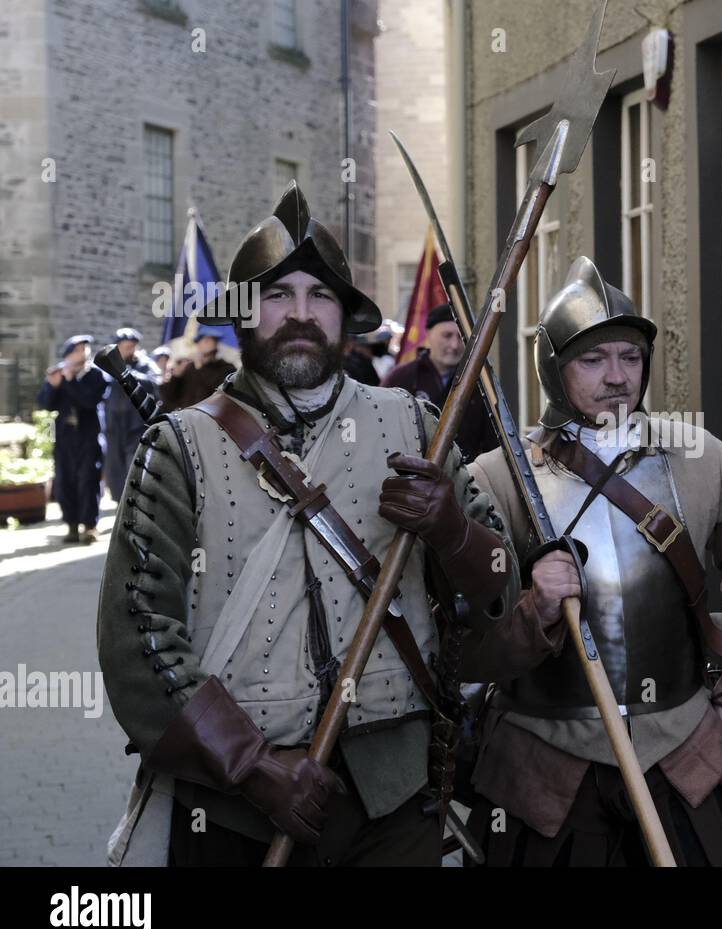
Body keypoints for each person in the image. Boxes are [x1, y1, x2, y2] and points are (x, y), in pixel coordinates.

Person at [97, 182, 520, 867]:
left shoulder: (415, 424)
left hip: (396, 801)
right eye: (277, 296)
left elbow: (502, 588)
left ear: (345, 317)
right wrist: (252, 765)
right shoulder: (177, 447)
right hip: (232, 809)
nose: (300, 314)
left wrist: (454, 532)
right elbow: (140, 635)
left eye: (320, 296)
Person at [460, 256, 722, 866]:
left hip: (679, 750)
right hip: (546, 762)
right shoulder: (496, 478)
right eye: (593, 360)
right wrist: (534, 609)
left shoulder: (698, 455)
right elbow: (469, 641)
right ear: (555, 370)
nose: (617, 377)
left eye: (630, 358)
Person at [381, 304, 498, 461]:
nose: (454, 345)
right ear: (429, 334)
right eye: (447, 335)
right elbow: (382, 434)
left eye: (461, 337)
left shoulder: (481, 384)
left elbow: (494, 444)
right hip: (412, 479)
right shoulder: (400, 378)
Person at [36, 335, 111, 543]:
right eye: (77, 350)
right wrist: (53, 386)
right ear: (68, 355)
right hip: (65, 436)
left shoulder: (96, 375)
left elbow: (89, 401)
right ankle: (71, 525)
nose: (82, 353)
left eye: (84, 349)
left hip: (89, 436)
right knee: (65, 480)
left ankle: (89, 526)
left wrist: (68, 382)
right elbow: (45, 404)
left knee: (88, 480)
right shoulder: (60, 373)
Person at [103, 328, 161, 502]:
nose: (128, 350)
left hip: (136, 424)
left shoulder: (145, 364)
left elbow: (155, 382)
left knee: (135, 464)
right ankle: (120, 503)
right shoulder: (108, 366)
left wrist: (129, 374)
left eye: (131, 347)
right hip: (114, 424)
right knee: (115, 467)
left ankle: (136, 502)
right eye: (124, 347)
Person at [158, 331, 236, 412]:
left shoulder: (226, 368)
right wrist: (177, 376)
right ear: (197, 344)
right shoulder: (189, 367)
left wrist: (200, 368)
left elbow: (218, 393)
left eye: (212, 340)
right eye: (205, 340)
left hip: (209, 416)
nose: (209, 343)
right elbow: (169, 397)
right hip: (185, 415)